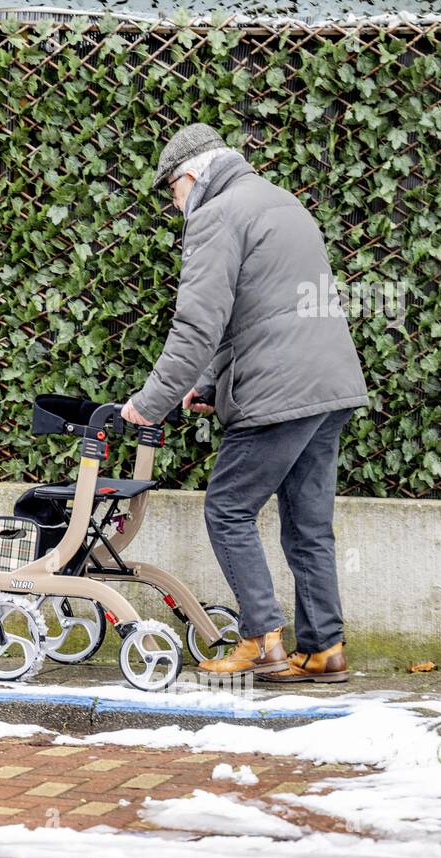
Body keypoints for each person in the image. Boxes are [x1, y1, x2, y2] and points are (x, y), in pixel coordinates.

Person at [119, 123, 369, 682]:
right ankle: (326, 649)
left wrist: (149, 403)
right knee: (308, 526)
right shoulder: (283, 204)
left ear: (191, 175)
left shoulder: (215, 215)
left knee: (227, 508)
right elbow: (258, 313)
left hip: (277, 392)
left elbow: (197, 326)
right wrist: (207, 386)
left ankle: (261, 639)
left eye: (171, 191)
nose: (174, 203)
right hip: (328, 388)